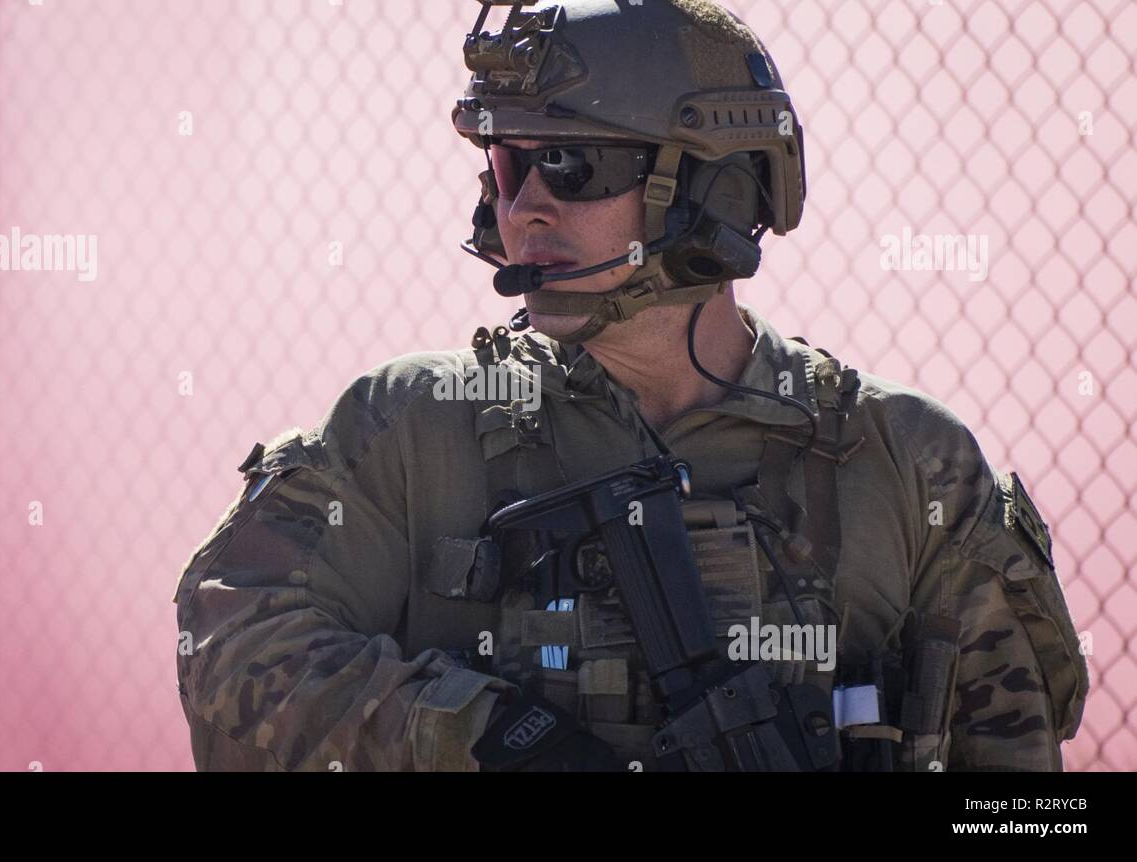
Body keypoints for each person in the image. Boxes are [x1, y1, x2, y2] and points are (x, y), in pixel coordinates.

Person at [173, 0, 1087, 771]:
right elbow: (230, 642)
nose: (522, 205)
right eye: (506, 165)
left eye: (571, 165)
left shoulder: (909, 462)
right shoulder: (409, 426)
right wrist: (489, 737)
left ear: (711, 189)